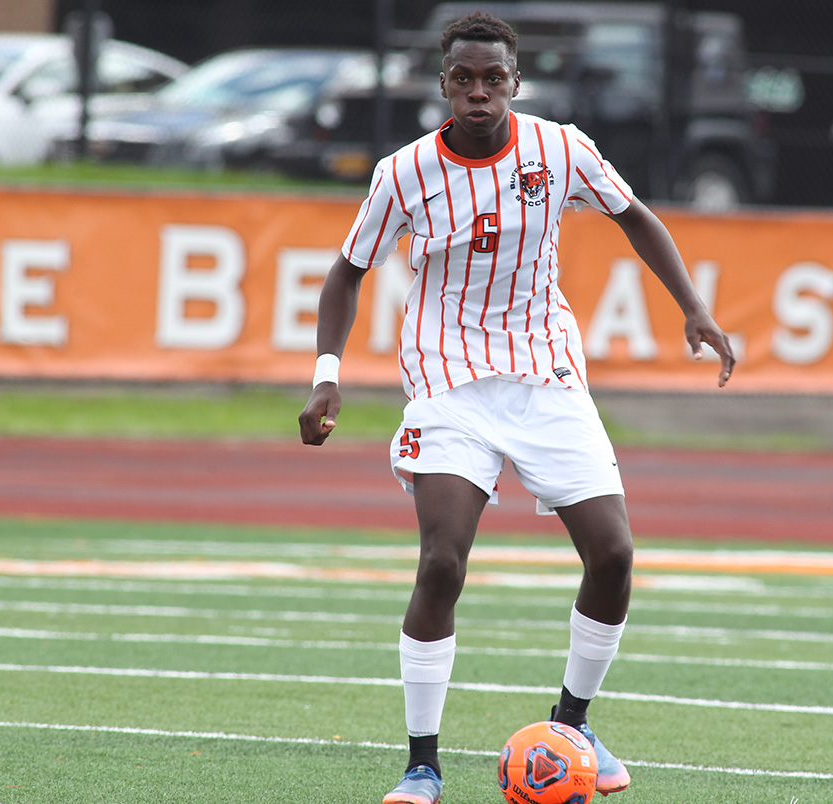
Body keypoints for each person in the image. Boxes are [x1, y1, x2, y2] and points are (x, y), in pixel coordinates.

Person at [299, 11, 735, 804]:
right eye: (462, 77)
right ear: (442, 84)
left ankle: (573, 724)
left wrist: (694, 307)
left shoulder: (559, 148)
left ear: (515, 83)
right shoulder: (402, 173)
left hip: (545, 376)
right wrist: (328, 372)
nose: (477, 91)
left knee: (614, 556)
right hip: (449, 383)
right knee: (442, 561)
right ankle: (422, 765)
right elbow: (345, 273)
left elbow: (634, 216)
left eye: (492, 78)